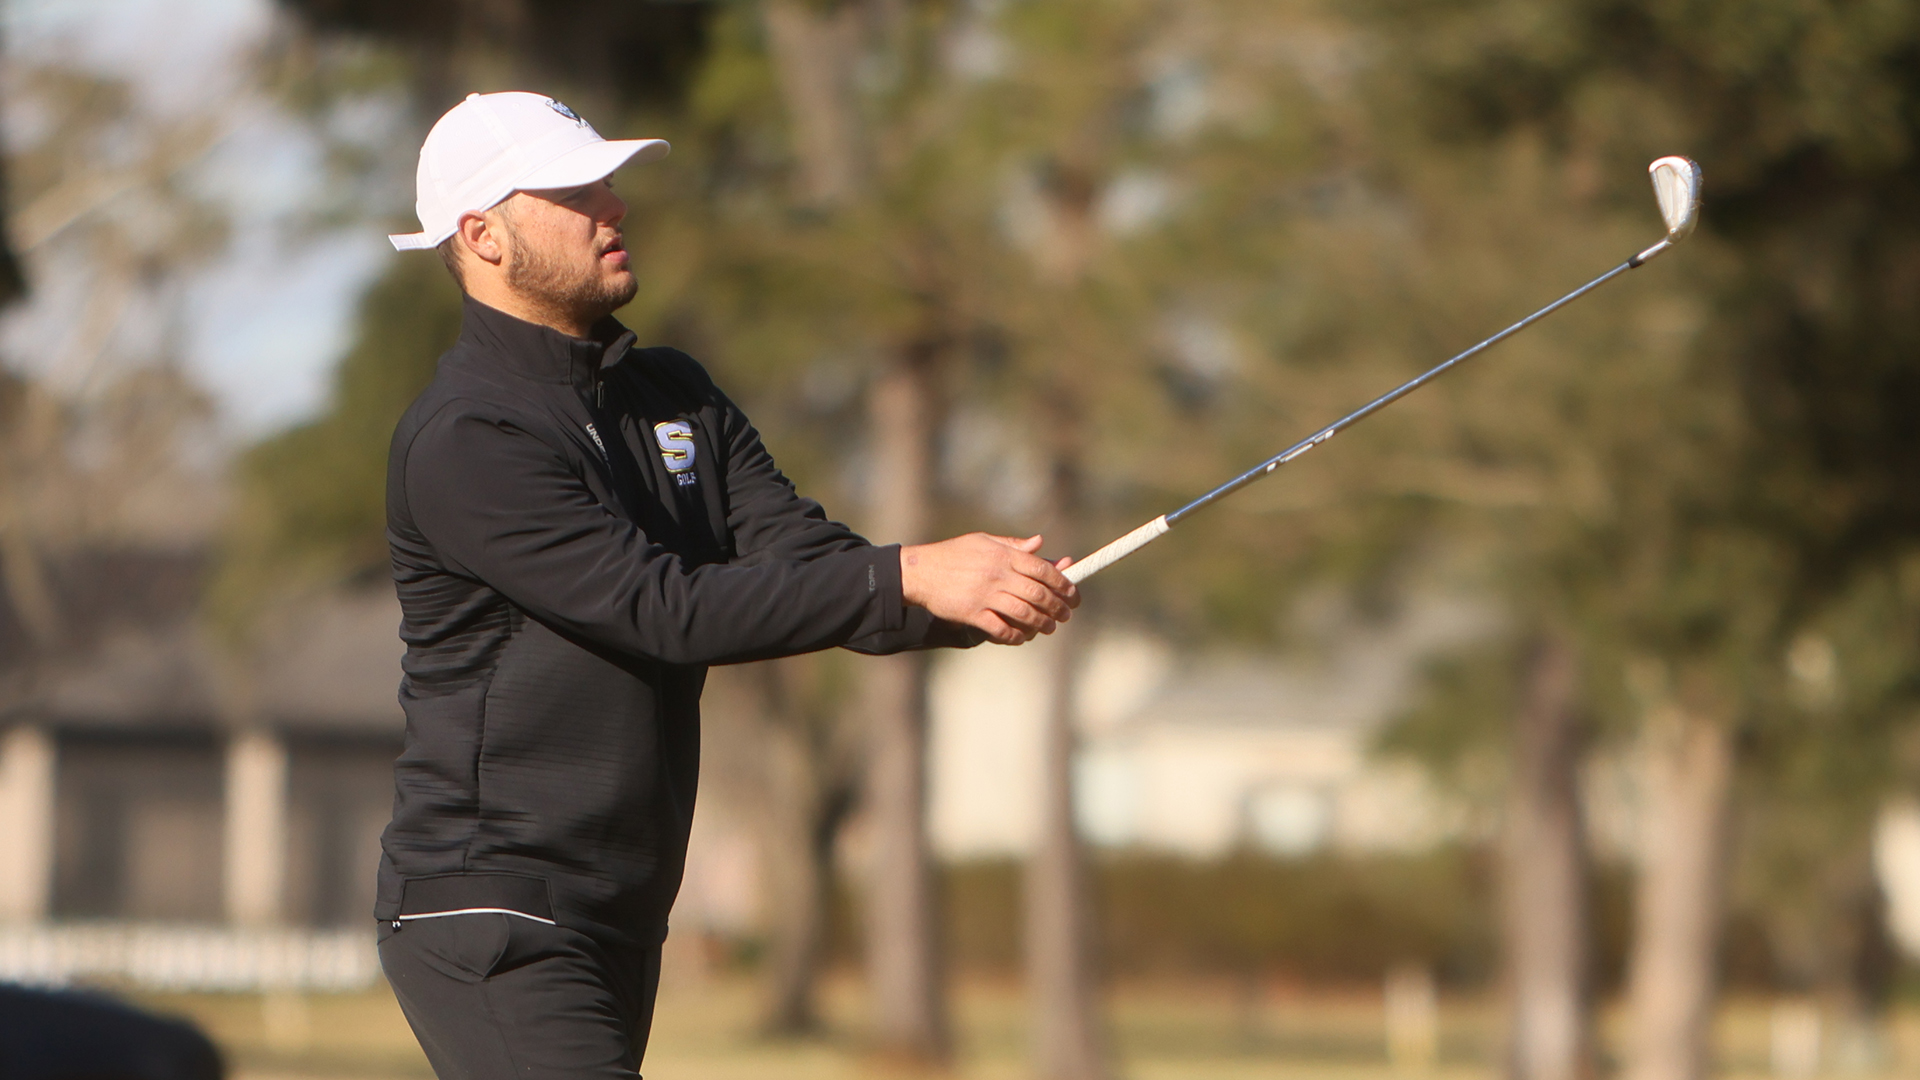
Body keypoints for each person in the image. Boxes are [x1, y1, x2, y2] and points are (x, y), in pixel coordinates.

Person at [375, 91, 1077, 1079]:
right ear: (482, 235)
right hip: (490, 902)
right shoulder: (467, 439)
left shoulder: (676, 396)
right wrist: (915, 573)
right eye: (575, 191)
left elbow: (807, 565)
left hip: (622, 901)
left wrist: (979, 599)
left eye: (609, 181)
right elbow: (663, 608)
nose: (613, 205)